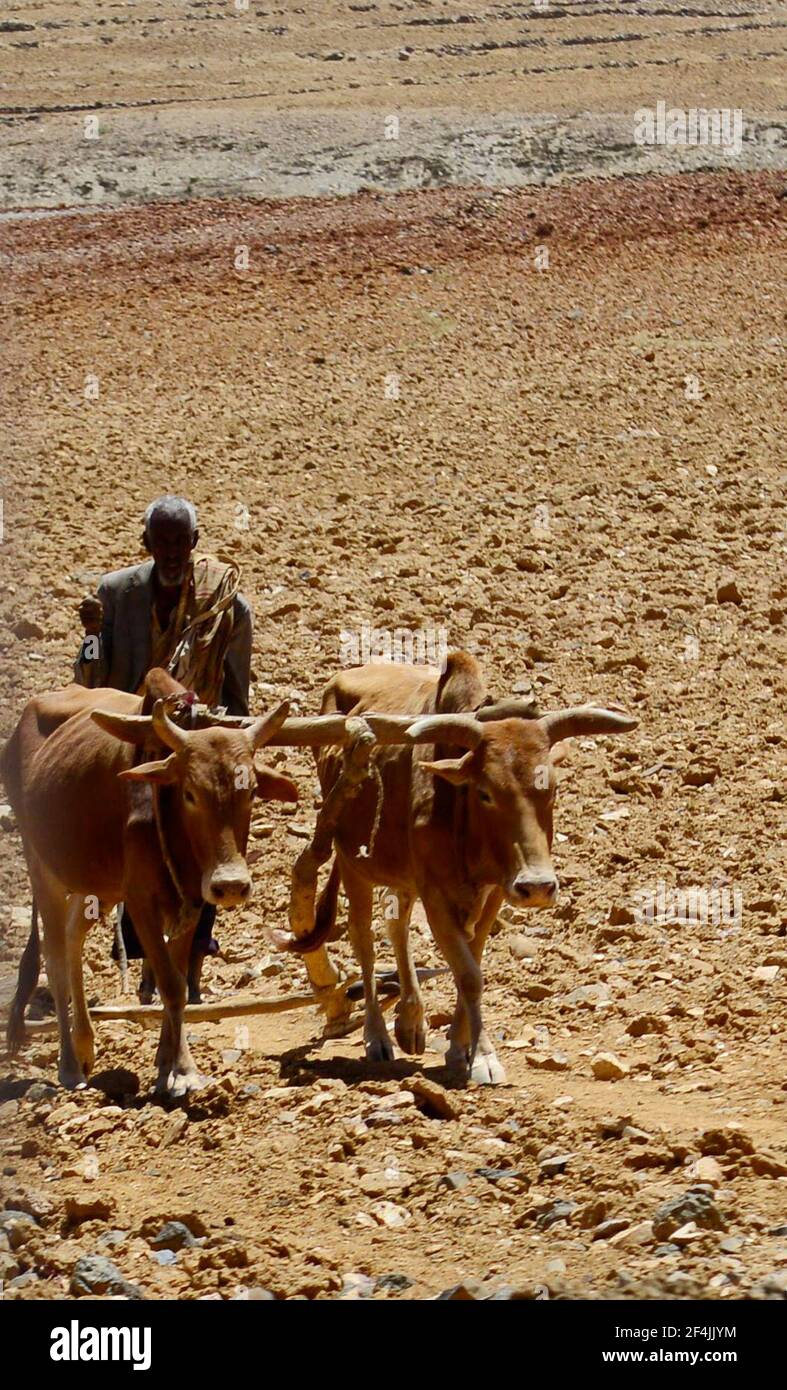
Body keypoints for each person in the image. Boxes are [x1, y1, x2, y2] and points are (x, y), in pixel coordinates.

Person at [74, 495, 253, 1001]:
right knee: (140, 844)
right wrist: (90, 636)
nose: (172, 551)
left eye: (181, 542)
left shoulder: (228, 606)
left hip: (198, 748)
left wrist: (236, 745)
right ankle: (148, 960)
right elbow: (88, 678)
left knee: (208, 843)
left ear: (195, 544)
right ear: (146, 544)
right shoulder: (114, 595)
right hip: (134, 740)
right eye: (162, 542)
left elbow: (238, 690)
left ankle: (192, 962)